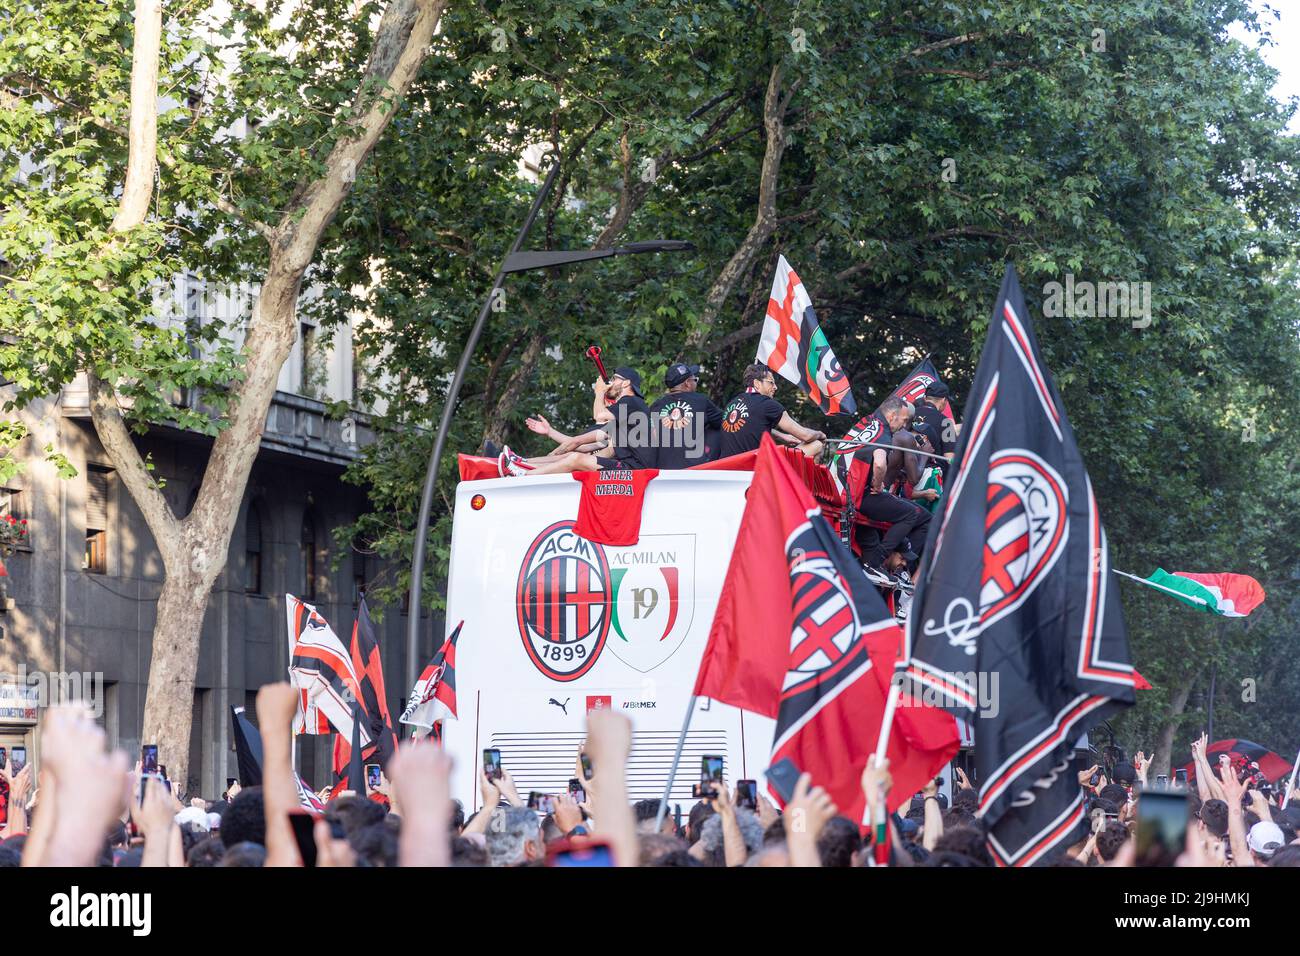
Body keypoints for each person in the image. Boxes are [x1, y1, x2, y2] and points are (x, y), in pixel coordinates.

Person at [503, 367, 657, 476]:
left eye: (615, 378)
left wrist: (599, 392)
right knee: (573, 455)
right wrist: (551, 440)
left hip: (635, 470)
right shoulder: (624, 415)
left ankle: (524, 475)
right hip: (630, 466)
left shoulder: (632, 402)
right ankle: (522, 463)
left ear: (626, 383)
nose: (610, 382)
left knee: (575, 458)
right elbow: (582, 444)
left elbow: (600, 415)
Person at [854, 397, 932, 576]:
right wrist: (878, 483)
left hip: (850, 491)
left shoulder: (866, 424)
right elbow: (885, 466)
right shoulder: (889, 434)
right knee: (915, 515)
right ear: (893, 416)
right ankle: (881, 561)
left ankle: (885, 560)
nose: (904, 425)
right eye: (904, 420)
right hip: (862, 496)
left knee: (904, 511)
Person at [717, 363, 826, 459]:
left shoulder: (732, 404)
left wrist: (782, 436)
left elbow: (751, 426)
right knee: (817, 444)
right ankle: (797, 483)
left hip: (727, 468)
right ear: (757, 383)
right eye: (771, 383)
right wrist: (820, 434)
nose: (775, 387)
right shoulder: (767, 404)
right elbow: (806, 435)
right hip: (753, 469)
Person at [649, 362, 724, 468]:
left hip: (662, 471)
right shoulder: (701, 401)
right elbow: (724, 422)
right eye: (695, 380)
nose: (696, 383)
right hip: (693, 471)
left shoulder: (656, 405)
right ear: (687, 383)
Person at [911, 381, 959, 469]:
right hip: (931, 476)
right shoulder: (946, 422)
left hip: (905, 471)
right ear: (944, 400)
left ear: (925, 398)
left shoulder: (909, 414)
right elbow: (949, 457)